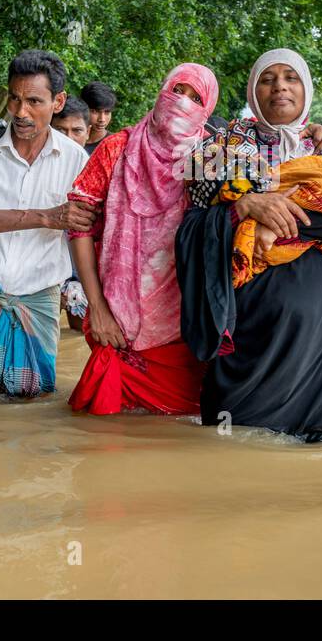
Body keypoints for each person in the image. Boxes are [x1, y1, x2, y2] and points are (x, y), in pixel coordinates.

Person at [176, 48, 322, 442]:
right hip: (252, 325)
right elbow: (190, 226)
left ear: (306, 88)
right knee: (235, 440)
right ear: (253, 91)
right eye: (267, 79)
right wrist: (242, 206)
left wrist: (288, 219)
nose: (280, 87)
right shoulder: (222, 146)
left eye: (290, 77)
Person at [66, 64, 220, 415]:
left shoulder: (209, 160)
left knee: (180, 436)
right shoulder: (115, 149)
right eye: (178, 90)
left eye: (196, 98)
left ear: (207, 110)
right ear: (162, 89)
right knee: (103, 439)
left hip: (184, 329)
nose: (183, 103)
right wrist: (99, 309)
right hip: (116, 325)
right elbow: (80, 228)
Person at [0, 50, 94, 397]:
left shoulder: (74, 159)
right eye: (14, 98)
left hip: (40, 300)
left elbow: (83, 233)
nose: (20, 112)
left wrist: (96, 306)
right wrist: (45, 216)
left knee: (35, 399)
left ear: (58, 102)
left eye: (33, 101)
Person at [80, 81, 117, 155]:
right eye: (95, 112)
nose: (102, 119)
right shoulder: (71, 137)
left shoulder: (114, 144)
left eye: (107, 112)